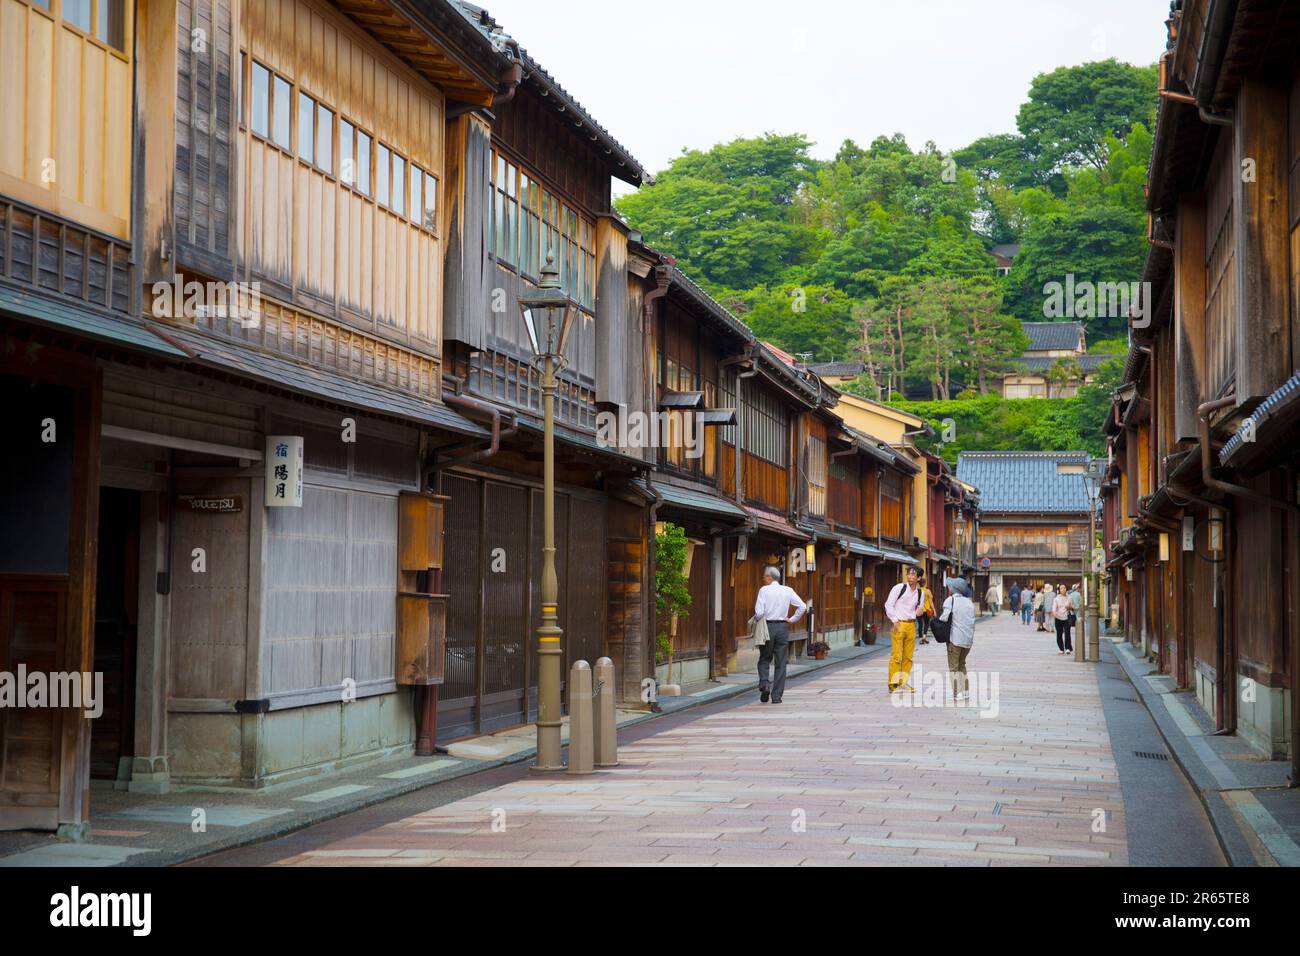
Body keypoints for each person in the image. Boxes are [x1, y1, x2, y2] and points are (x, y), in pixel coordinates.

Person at [754, 566, 807, 703]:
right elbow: (802, 606)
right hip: (783, 627)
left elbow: (759, 613)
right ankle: (776, 696)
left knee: (765, 658)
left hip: (768, 627)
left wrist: (758, 618)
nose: (763, 579)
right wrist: (792, 619)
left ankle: (765, 683)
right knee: (781, 662)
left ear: (769, 577)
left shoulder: (764, 590)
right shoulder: (788, 590)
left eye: (764, 576)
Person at [884, 565, 925, 692]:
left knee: (908, 657)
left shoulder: (920, 593)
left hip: (911, 624)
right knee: (896, 655)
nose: (910, 577)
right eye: (909, 574)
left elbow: (919, 610)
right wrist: (895, 621)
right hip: (899, 624)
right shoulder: (899, 588)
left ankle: (903, 682)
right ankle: (893, 683)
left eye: (913, 575)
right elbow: (888, 604)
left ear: (919, 578)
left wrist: (920, 611)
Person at [939, 577, 977, 701]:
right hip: (968, 640)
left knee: (954, 667)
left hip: (955, 638)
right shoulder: (969, 602)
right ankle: (965, 691)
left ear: (952, 589)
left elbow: (944, 618)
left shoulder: (950, 600)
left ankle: (957, 693)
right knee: (962, 665)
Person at [1052, 583, 1074, 653]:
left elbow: (1072, 607)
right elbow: (1054, 608)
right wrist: (1054, 613)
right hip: (1058, 617)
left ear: (1066, 589)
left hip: (1067, 617)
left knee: (1067, 633)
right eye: (1061, 588)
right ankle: (1061, 649)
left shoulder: (1069, 598)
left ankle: (1067, 648)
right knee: (1059, 633)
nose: (1063, 589)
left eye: (1064, 588)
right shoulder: (1056, 599)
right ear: (1059, 590)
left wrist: (1069, 607)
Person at [916, 575, 935, 645]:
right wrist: (934, 610)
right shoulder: (927, 591)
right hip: (927, 610)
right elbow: (931, 602)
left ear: (919, 584)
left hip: (919, 610)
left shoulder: (916, 591)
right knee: (927, 623)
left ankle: (921, 638)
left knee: (920, 624)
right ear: (925, 583)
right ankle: (924, 636)